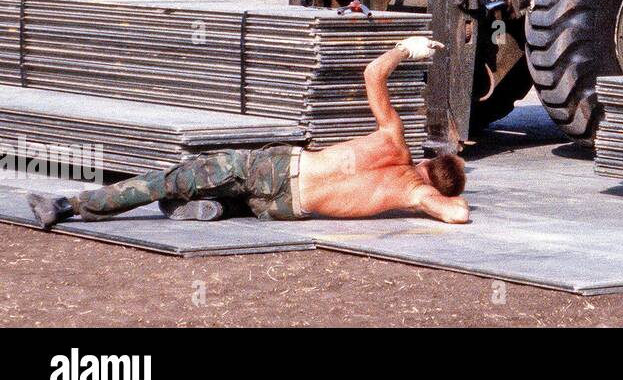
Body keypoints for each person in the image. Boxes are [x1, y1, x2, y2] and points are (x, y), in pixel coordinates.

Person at [27, 37, 470, 228]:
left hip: (277, 169)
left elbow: (373, 74)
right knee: (233, 197)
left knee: (174, 178)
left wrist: (404, 49)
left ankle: (68, 206)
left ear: (427, 162)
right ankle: (216, 209)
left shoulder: (395, 141)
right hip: (288, 209)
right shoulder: (414, 197)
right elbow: (458, 215)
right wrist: (439, 200)